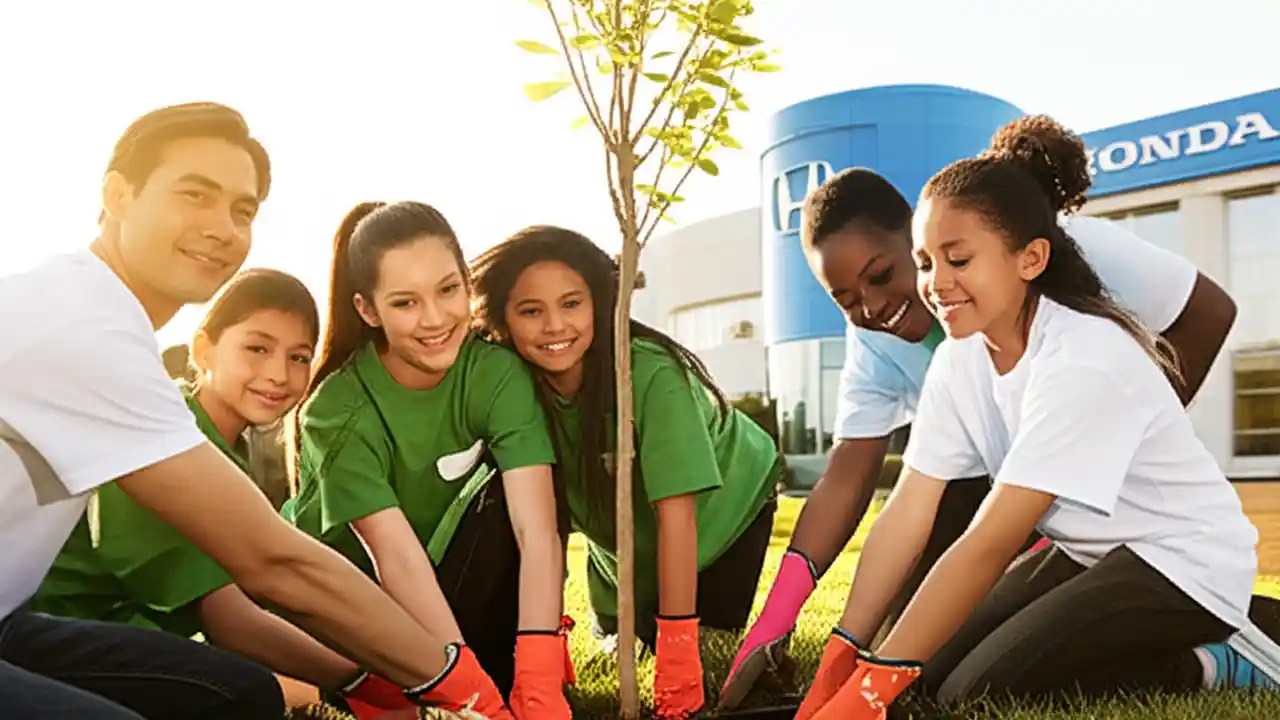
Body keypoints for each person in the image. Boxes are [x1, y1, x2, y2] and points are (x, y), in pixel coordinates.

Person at [0, 102, 511, 719]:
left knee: (238, 694)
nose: (222, 227)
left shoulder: (106, 322)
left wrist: (375, 681)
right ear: (117, 195)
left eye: (243, 210)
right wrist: (459, 685)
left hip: (9, 621)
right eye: (195, 194)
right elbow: (273, 562)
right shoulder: (80, 323)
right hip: (39, 617)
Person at [721, 154, 1240, 706]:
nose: (937, 283)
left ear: (1031, 259)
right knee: (928, 677)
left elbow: (988, 542)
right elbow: (909, 507)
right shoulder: (959, 356)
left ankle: (1217, 659)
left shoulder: (1083, 358)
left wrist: (866, 696)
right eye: (925, 263)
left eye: (959, 260)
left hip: (1178, 559)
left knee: (977, 692)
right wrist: (843, 653)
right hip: (1087, 551)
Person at [33, 268, 419, 716]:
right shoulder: (169, 431)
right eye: (257, 348)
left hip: (140, 633)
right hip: (67, 628)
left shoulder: (227, 450)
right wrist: (372, 680)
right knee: (247, 690)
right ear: (204, 349)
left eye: (298, 357)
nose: (278, 374)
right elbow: (232, 620)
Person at [470, 226, 782, 720]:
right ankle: (618, 623)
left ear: (601, 303)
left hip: (724, 518)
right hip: (619, 543)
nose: (555, 325)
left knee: (712, 660)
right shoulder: (509, 385)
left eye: (572, 304)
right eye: (531, 311)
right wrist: (544, 649)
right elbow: (544, 525)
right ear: (503, 320)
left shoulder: (650, 375)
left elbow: (677, 519)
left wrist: (678, 653)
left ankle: (729, 642)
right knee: (622, 648)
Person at [284, 201, 572, 719]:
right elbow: (395, 559)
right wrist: (471, 695)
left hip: (435, 590)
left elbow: (537, 529)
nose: (436, 319)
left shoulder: (496, 374)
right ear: (369, 311)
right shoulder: (336, 411)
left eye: (447, 290)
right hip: (351, 617)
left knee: (524, 494)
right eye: (405, 303)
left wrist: (539, 670)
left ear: (467, 283)